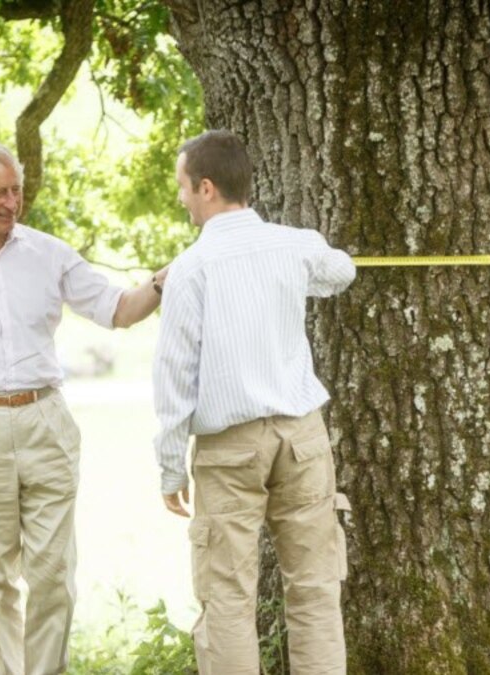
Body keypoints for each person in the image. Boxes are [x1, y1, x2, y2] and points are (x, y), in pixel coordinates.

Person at [0, 139, 165, 675]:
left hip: (45, 423)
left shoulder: (48, 253)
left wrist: (160, 282)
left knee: (53, 574)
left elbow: (117, 309)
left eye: (16, 191)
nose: (12, 203)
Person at [152, 129, 356, 674]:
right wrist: (296, 269)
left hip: (229, 448)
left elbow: (173, 375)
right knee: (315, 590)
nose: (181, 198)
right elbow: (343, 271)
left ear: (208, 188)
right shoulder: (294, 245)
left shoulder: (190, 270)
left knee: (227, 599)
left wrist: (171, 468)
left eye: (183, 187)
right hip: (301, 439)